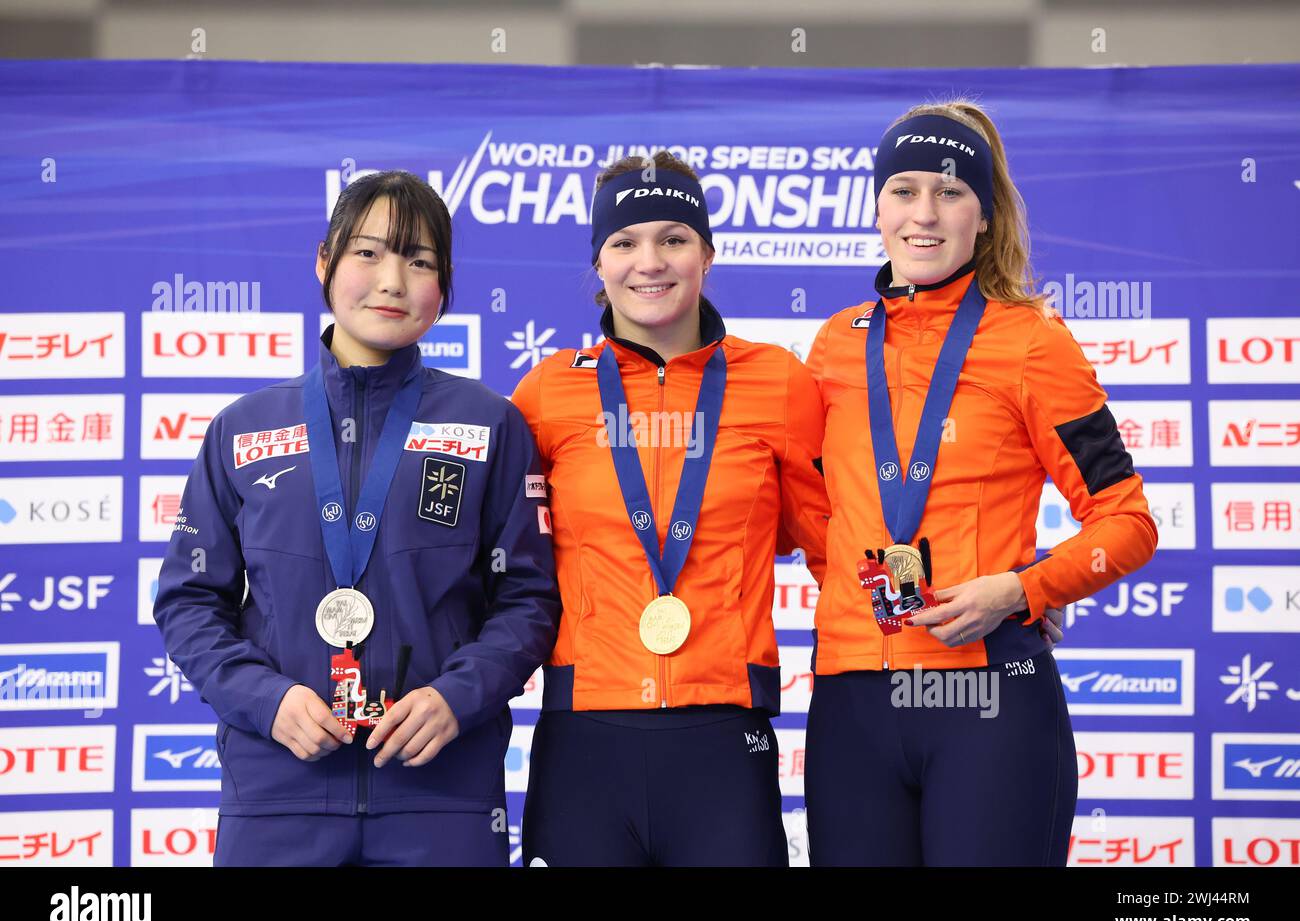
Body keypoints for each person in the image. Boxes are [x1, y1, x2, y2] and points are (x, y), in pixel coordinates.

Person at [153, 170, 560, 866]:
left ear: (445, 284)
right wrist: (267, 700)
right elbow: (188, 600)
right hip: (278, 793)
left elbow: (529, 599)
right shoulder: (244, 428)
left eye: (419, 261)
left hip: (444, 795)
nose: (392, 281)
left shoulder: (489, 424)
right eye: (368, 253)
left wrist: (457, 698)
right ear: (325, 262)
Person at [803, 102, 1157, 866]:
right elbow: (815, 513)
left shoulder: (1033, 341)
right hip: (851, 699)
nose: (924, 214)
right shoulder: (833, 345)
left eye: (951, 191)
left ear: (986, 216)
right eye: (903, 190)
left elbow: (1127, 521)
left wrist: (1023, 589)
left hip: (989, 697)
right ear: (876, 208)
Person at [511, 151, 830, 866]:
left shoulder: (779, 382)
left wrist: (996, 592)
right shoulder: (547, 393)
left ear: (707, 255)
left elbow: (837, 543)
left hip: (725, 738)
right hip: (584, 738)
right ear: (599, 263)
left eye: (674, 239)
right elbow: (499, 561)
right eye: (624, 242)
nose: (649, 262)